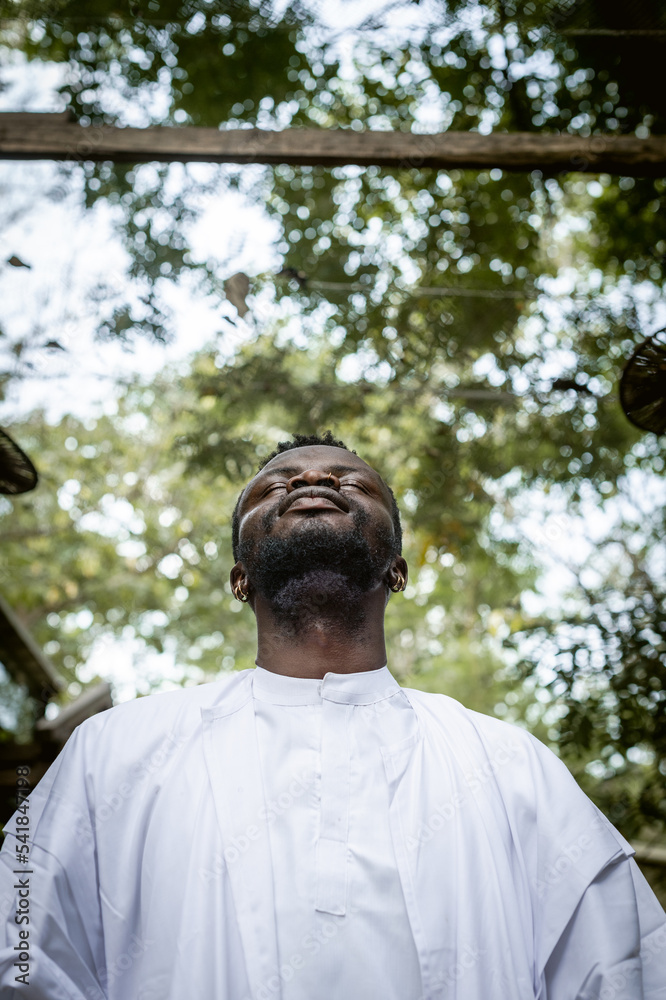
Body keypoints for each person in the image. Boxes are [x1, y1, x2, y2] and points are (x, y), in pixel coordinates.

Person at [1, 430, 665, 1000]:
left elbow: (621, 968)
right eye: (275, 485)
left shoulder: (508, 765)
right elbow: (21, 956)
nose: (312, 480)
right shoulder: (109, 754)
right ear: (239, 578)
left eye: (352, 481)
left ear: (398, 570)